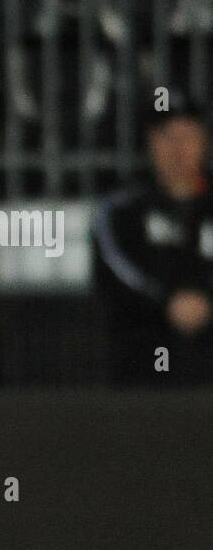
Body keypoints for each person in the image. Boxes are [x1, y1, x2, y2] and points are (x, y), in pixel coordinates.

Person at [92, 100, 213, 386]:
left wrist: (205, 299)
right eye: (167, 137)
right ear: (151, 144)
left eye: (187, 136)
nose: (178, 148)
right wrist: (166, 300)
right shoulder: (124, 206)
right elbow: (113, 268)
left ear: (204, 142)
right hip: (145, 354)